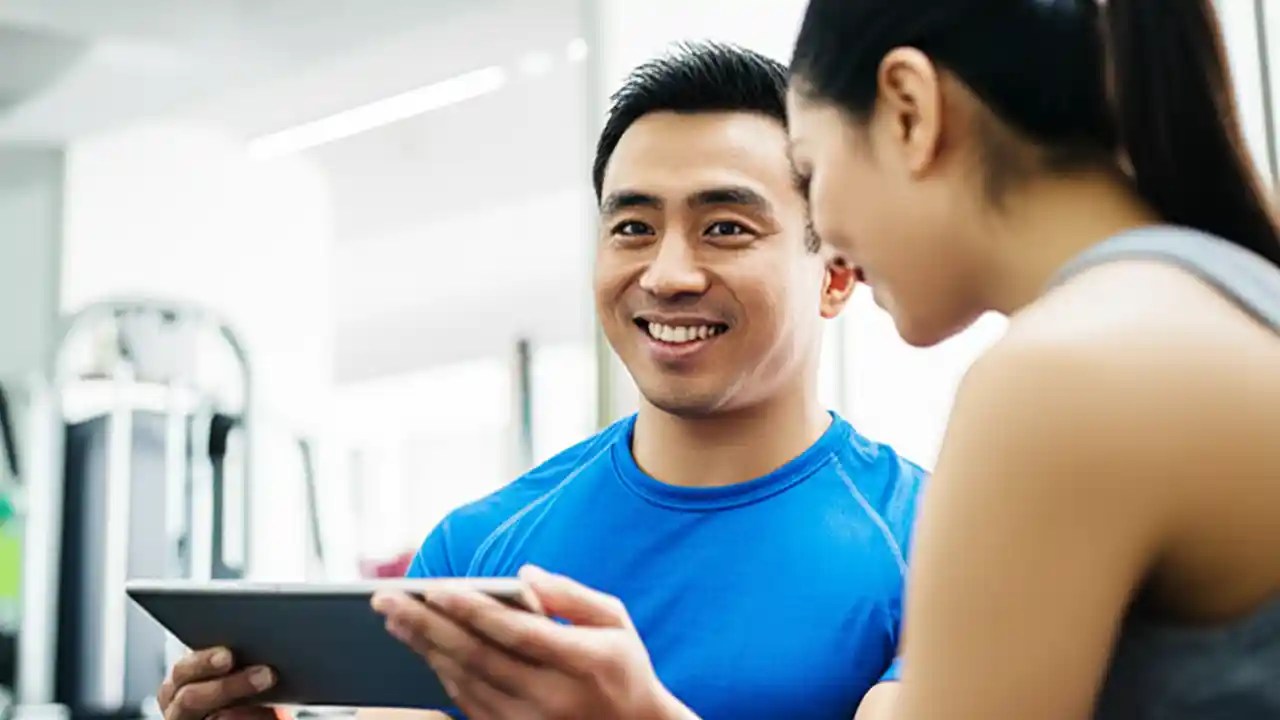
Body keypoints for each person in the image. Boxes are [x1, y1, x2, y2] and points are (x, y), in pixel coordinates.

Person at [154, 43, 926, 720]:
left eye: (725, 227)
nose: (667, 273)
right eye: (633, 228)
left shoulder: (941, 541)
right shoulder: (474, 550)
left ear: (836, 273)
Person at [784, 0, 1280, 718]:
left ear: (908, 110)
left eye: (810, 168)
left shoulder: (1063, 379)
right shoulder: (1227, 297)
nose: (825, 241)